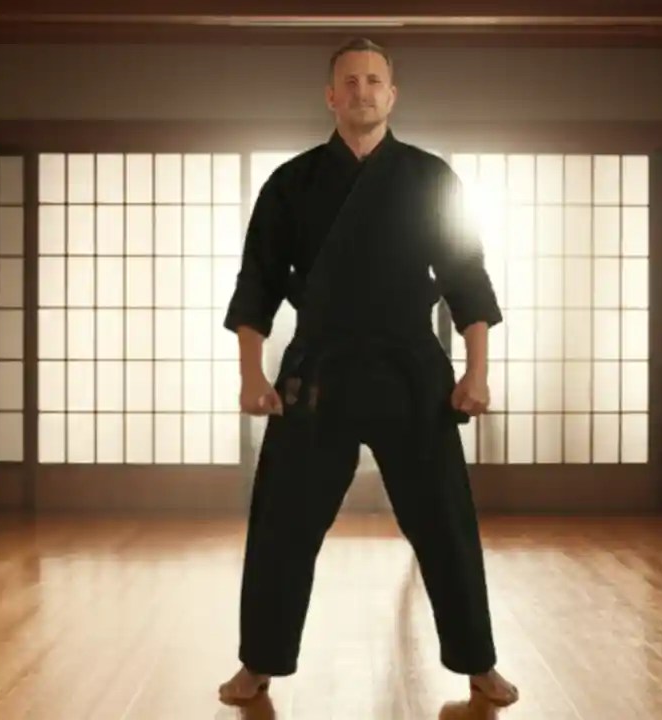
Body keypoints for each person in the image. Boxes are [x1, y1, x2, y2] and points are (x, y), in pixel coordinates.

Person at [217, 37, 519, 708]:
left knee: (444, 522)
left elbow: (467, 280)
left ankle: (478, 664)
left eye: (373, 81)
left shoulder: (429, 177)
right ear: (331, 96)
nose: (361, 92)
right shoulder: (290, 184)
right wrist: (250, 374)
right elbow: (257, 286)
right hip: (316, 373)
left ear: (392, 95)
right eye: (349, 82)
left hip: (411, 371)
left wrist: (477, 373)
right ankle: (258, 663)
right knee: (282, 527)